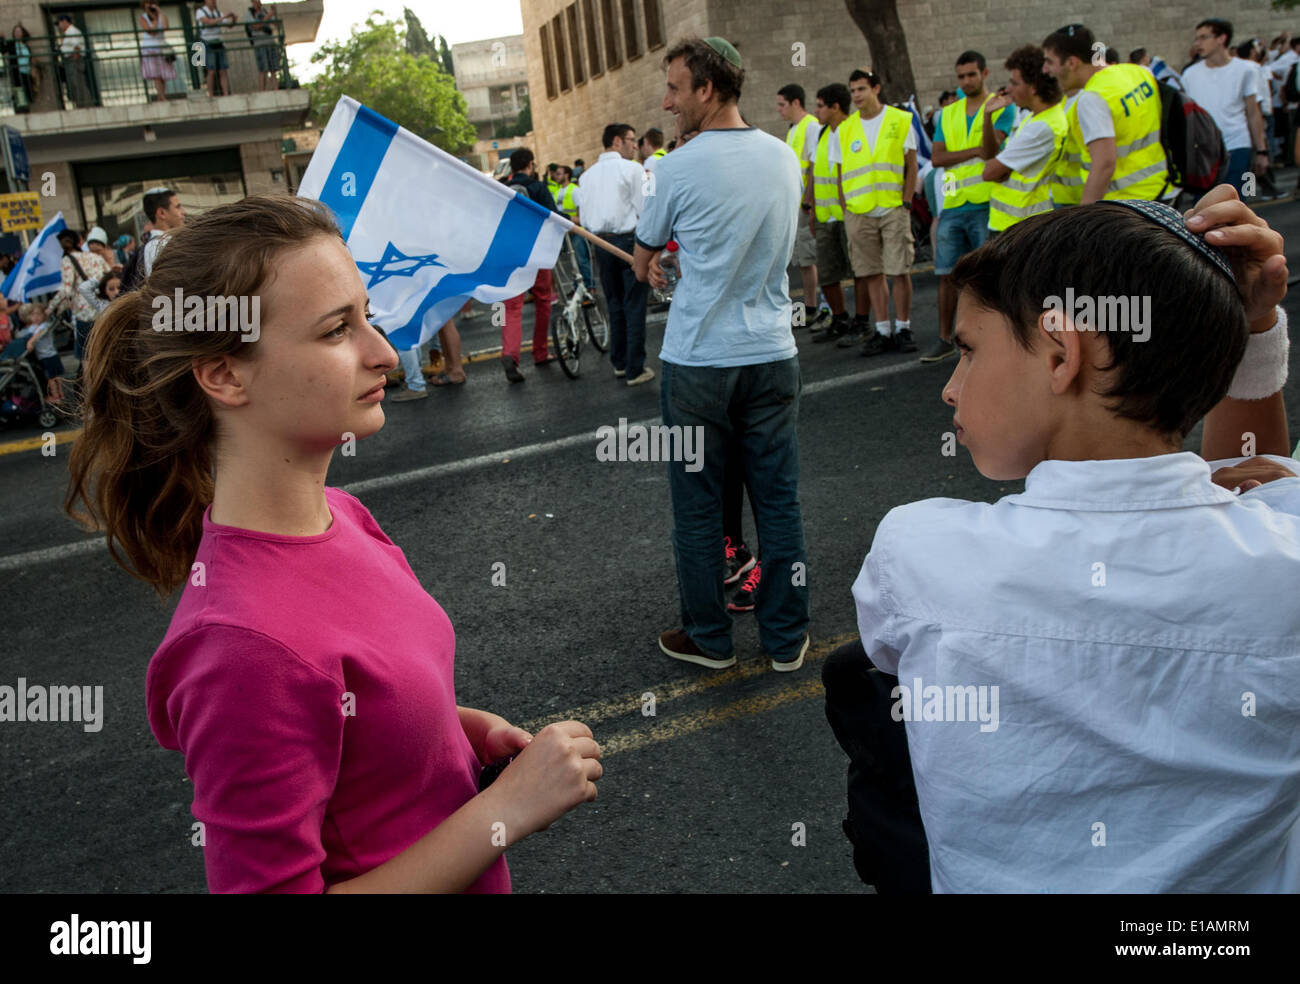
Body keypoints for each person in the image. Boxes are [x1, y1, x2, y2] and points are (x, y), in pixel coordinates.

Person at [63, 194, 603, 894]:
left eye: (368, 317)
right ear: (224, 374)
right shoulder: (239, 647)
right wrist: (504, 811)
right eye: (334, 330)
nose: (383, 353)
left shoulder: (342, 513)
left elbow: (352, 726)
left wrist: (455, 733)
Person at [828, 186, 1299, 893]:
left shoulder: (920, 552)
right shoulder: (1283, 550)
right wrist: (1254, 330)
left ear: (1059, 354)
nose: (951, 389)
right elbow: (1226, 492)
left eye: (968, 351)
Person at [633, 36, 810, 672]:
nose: (667, 100)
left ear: (707, 90)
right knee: (778, 500)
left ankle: (709, 638)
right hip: (770, 350)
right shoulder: (783, 155)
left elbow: (644, 255)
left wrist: (651, 265)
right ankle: (787, 639)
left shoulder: (673, 168)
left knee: (699, 506)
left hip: (699, 360)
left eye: (676, 88)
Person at [927, 51, 1016, 364]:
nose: (965, 82)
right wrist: (974, 150)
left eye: (971, 75)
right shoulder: (947, 113)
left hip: (985, 203)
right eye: (961, 76)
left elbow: (992, 151)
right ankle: (943, 339)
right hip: (953, 204)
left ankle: (991, 339)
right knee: (947, 275)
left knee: (986, 276)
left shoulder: (1002, 108)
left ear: (985, 73)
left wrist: (980, 144)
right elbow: (937, 158)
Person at [830, 69, 918, 356]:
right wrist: (846, 209)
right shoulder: (844, 129)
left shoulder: (900, 119)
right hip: (859, 211)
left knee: (899, 270)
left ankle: (903, 327)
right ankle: (883, 330)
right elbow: (841, 173)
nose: (856, 95)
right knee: (871, 273)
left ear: (876, 89)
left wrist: (906, 201)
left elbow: (911, 163)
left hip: (892, 206)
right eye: (852, 90)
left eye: (861, 89)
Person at [1042, 24, 1169, 205]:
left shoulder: (1092, 98)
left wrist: (1085, 216)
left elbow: (1104, 165)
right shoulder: (1136, 72)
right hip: (1158, 189)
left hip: (1124, 203)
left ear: (1072, 63)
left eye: (1050, 62)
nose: (1045, 70)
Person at [582, 123, 652, 385]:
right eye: (631, 140)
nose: (635, 145)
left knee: (615, 304)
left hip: (600, 243)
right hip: (628, 240)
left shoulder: (587, 176)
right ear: (616, 141)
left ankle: (620, 362)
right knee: (634, 305)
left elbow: (587, 218)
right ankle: (635, 368)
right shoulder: (632, 169)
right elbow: (646, 209)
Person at [981, 46, 1067, 235]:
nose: (1008, 89)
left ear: (1034, 87)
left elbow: (989, 172)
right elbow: (990, 156)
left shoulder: (1041, 127)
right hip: (1013, 223)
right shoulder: (1035, 118)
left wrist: (1001, 168)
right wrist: (987, 117)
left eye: (1014, 83)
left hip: (1019, 226)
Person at [1182, 19, 1269, 201]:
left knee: (1236, 207)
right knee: (1203, 212)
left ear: (1222, 38)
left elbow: (1253, 112)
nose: (1198, 43)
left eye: (1204, 37)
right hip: (1203, 153)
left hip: (1237, 146)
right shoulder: (1190, 75)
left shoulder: (1246, 70)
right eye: (1196, 39)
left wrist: (1261, 151)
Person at [500, 147, 558, 382]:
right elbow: (554, 218)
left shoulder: (501, 186)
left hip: (510, 255)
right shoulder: (537, 187)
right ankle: (540, 351)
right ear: (530, 165)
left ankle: (509, 354)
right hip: (537, 254)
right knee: (543, 301)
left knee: (511, 307)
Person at [778, 83, 830, 335]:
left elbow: (812, 167)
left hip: (805, 204)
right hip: (796, 203)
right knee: (803, 260)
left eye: (782, 104)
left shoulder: (810, 126)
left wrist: (808, 202)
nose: (779, 110)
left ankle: (820, 308)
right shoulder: (794, 129)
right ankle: (810, 308)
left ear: (796, 103)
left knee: (810, 258)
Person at [806, 83, 853, 343]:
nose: (817, 110)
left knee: (860, 272)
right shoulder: (821, 134)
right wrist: (811, 208)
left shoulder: (850, 130)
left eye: (821, 105)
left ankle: (862, 321)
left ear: (836, 107)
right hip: (825, 215)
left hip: (849, 214)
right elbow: (814, 172)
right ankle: (841, 317)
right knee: (827, 273)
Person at [55, 228, 110, 362]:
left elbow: (65, 291)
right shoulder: (96, 258)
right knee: (105, 352)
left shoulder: (67, 260)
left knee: (86, 357)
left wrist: (51, 309)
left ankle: (91, 382)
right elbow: (110, 278)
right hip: (103, 310)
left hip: (85, 314)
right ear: (79, 242)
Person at [553, 165, 594, 289]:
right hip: (565, 234)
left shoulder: (574, 190)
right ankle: (578, 288)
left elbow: (582, 216)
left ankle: (590, 287)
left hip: (576, 233)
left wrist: (571, 222)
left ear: (566, 175)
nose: (556, 176)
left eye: (559, 173)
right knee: (573, 263)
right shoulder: (557, 192)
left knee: (582, 261)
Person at [17, 301, 65, 404]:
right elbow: (25, 334)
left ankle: (58, 396)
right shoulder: (31, 328)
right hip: (43, 357)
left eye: (39, 314)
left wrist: (31, 342)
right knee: (51, 378)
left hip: (50, 356)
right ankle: (57, 396)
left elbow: (39, 334)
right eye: (33, 314)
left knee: (55, 378)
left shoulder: (45, 325)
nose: (36, 317)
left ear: (44, 315)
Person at [139, 186, 187, 280]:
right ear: (161, 213)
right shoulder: (160, 245)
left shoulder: (160, 243)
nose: (184, 212)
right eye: (177, 207)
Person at [195, 3, 237, 97]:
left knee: (223, 70)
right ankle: (211, 94)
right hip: (207, 42)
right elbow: (208, 22)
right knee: (211, 70)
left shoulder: (217, 13)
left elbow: (229, 25)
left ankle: (226, 93)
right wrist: (223, 17)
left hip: (219, 42)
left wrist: (234, 19)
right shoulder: (200, 12)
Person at [138, 1, 177, 101]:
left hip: (161, 48)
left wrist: (159, 12)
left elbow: (165, 27)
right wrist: (154, 19)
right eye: (147, 3)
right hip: (149, 49)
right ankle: (161, 96)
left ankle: (161, 95)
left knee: (162, 74)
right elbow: (151, 32)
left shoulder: (161, 15)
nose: (149, 5)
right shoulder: (143, 17)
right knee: (156, 75)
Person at [57, 13, 93, 108]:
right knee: (74, 83)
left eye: (60, 23)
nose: (59, 26)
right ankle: (80, 103)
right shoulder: (69, 32)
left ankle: (84, 104)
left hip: (73, 60)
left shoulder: (72, 31)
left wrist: (75, 59)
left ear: (64, 21)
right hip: (70, 60)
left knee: (78, 82)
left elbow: (76, 46)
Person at [242, 0, 280, 92]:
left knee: (273, 69)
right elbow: (255, 26)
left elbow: (275, 23)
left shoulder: (264, 11)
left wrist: (273, 14)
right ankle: (262, 90)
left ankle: (275, 89)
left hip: (270, 42)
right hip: (260, 44)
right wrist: (268, 16)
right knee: (263, 69)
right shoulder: (249, 13)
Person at [9, 24, 37, 112]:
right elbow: (3, 49)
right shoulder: (12, 45)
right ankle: (21, 110)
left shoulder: (26, 46)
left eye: (19, 31)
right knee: (19, 92)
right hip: (18, 72)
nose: (17, 33)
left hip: (27, 72)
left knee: (28, 92)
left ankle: (26, 109)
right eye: (16, 32)